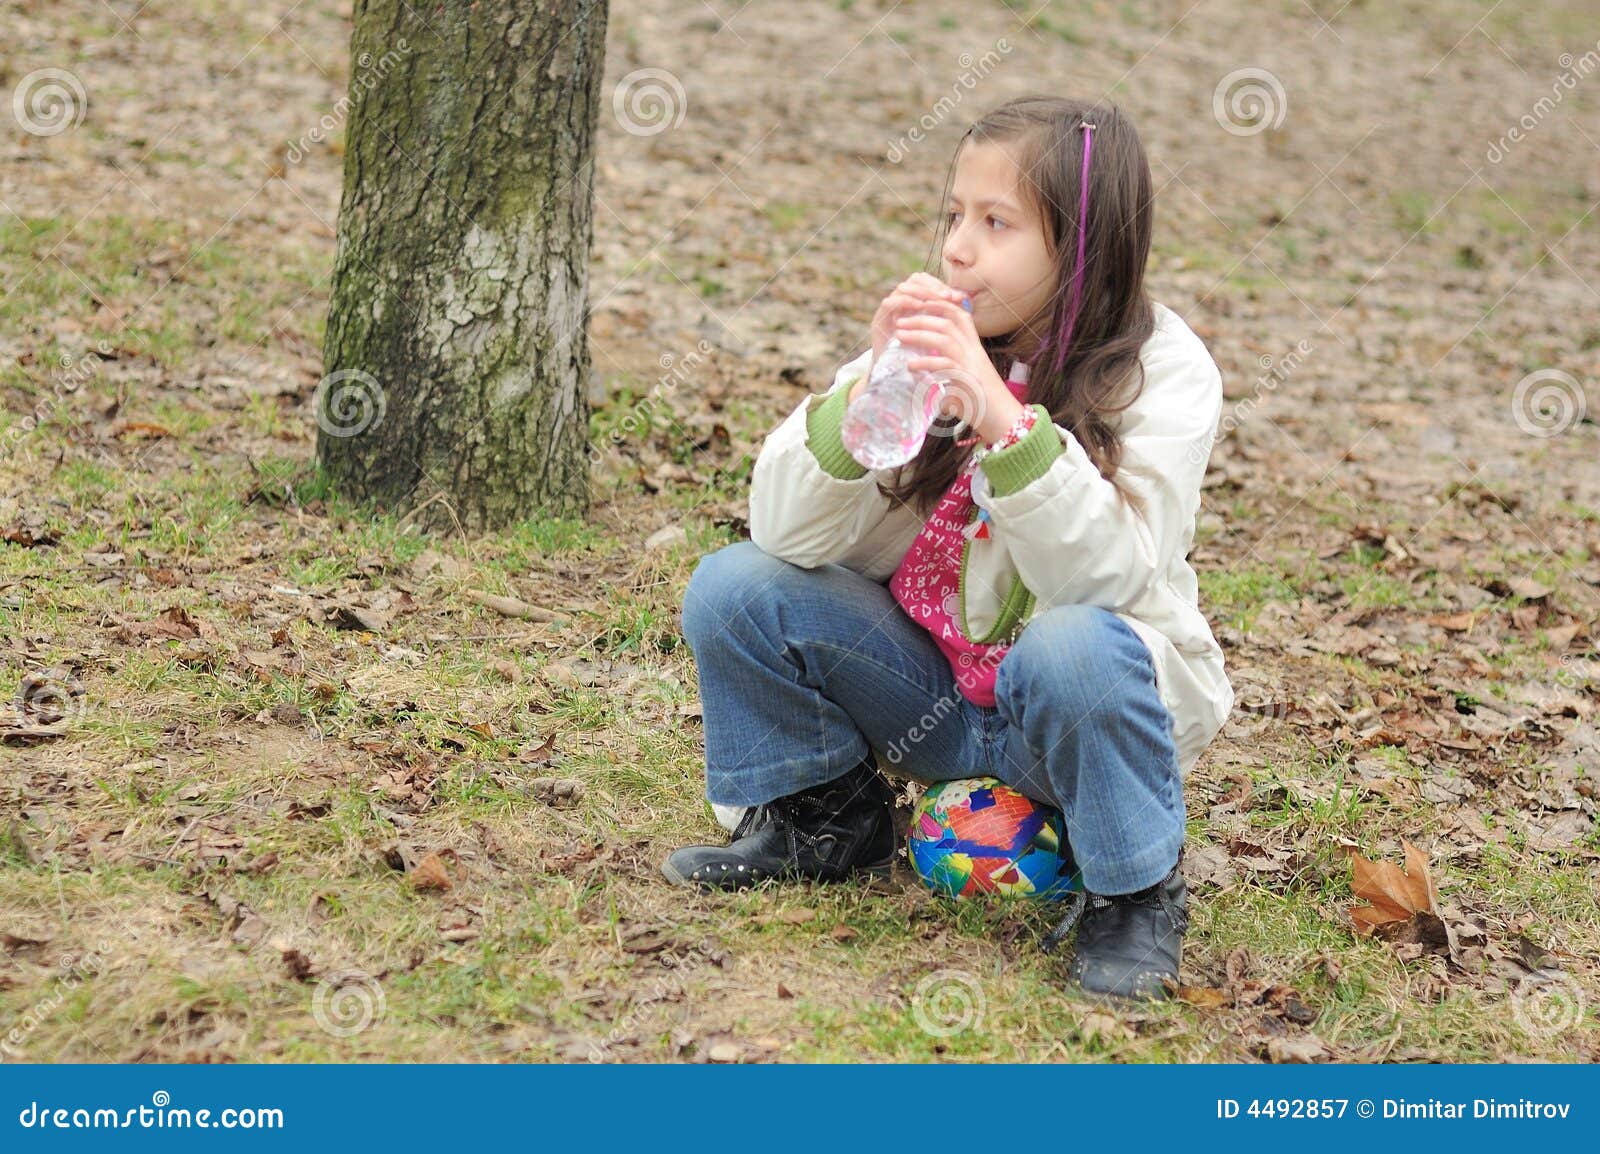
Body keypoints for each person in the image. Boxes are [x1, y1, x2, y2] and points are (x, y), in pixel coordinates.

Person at [663, 95, 1235, 1001]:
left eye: (996, 223)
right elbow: (785, 533)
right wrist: (863, 407)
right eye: (956, 216)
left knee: (1072, 644)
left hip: (1066, 718)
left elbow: (1112, 578)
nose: (958, 249)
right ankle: (825, 818)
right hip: (929, 702)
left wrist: (1007, 424)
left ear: (1085, 244)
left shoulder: (1163, 370)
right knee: (737, 587)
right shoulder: (936, 344)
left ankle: (1131, 893)